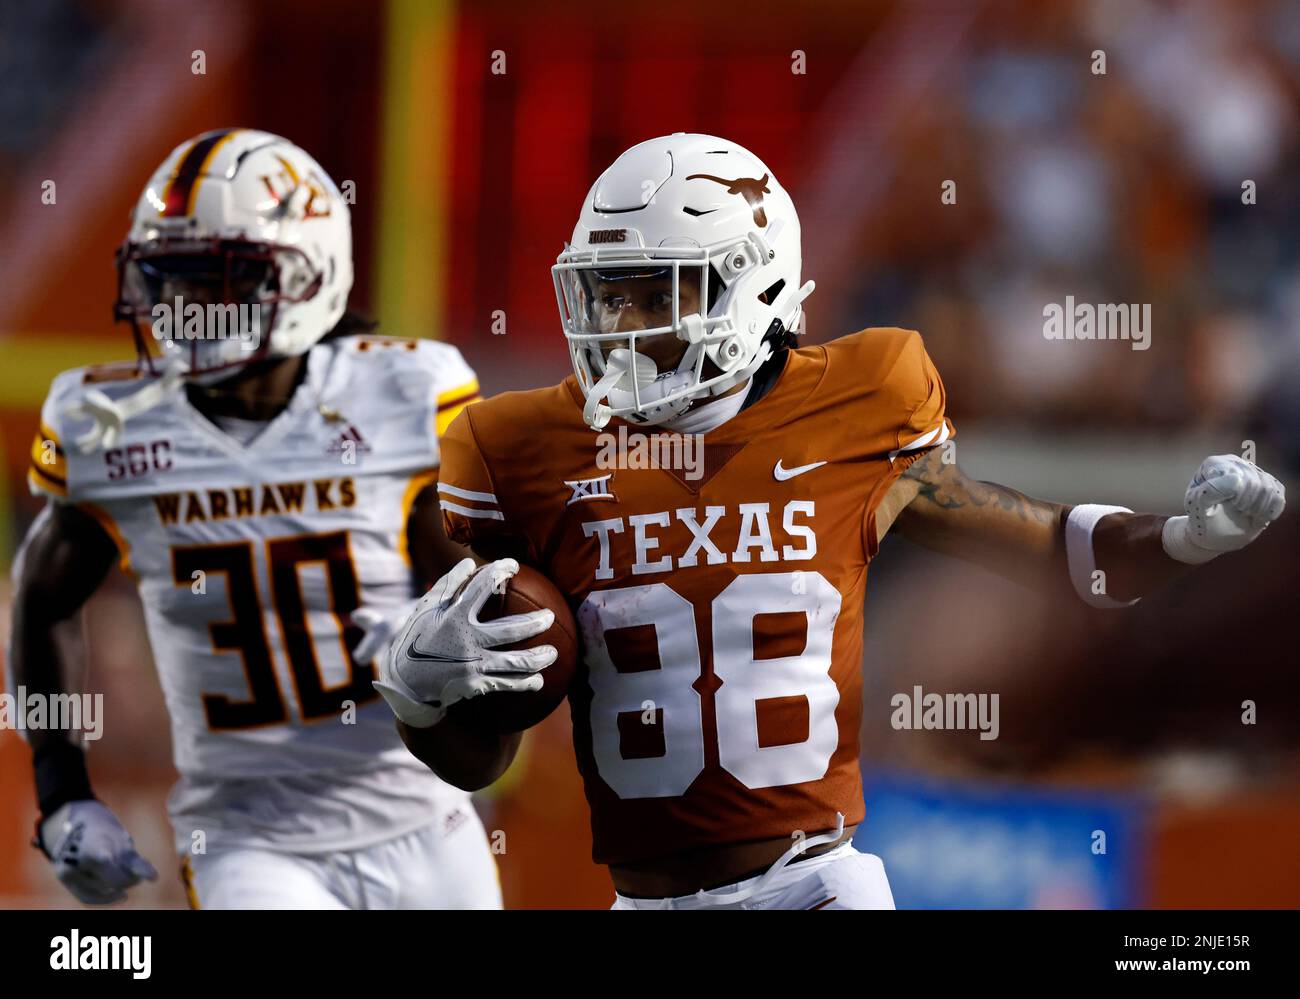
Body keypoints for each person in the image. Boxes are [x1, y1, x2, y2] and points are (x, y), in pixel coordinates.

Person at [374, 133, 1286, 910]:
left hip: (812, 889)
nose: (624, 326)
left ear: (751, 285)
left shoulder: (857, 403)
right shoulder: (523, 447)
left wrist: (1177, 539)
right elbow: (480, 752)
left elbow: (1044, 542)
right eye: (611, 296)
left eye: (658, 294)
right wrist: (419, 694)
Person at [11, 128, 501, 909]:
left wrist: (469, 704)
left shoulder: (403, 394)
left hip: (425, 819)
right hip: (249, 837)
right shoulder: (109, 424)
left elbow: (482, 596)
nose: (186, 309)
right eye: (171, 280)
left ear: (310, 275)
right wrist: (61, 788)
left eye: (220, 280)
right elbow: (42, 599)